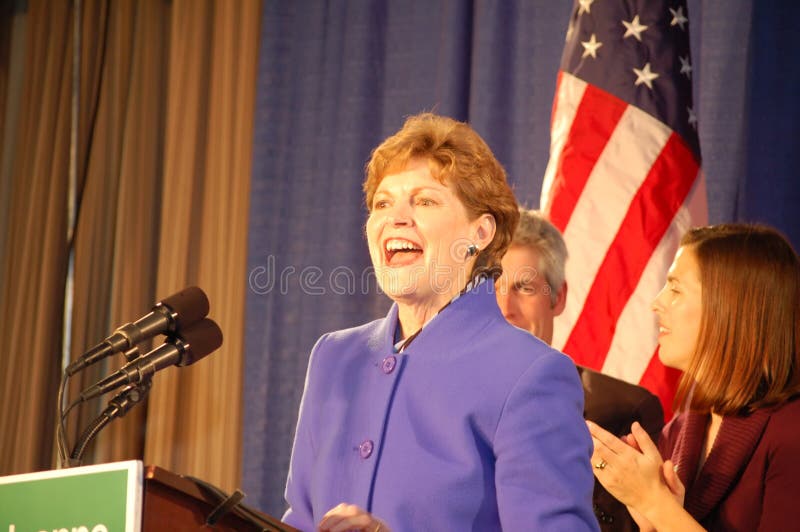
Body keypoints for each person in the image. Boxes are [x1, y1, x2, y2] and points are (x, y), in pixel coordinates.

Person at [281, 114, 598, 531]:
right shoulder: (334, 357)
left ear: (481, 233)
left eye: (425, 201)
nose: (396, 217)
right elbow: (299, 520)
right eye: (382, 203)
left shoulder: (531, 374)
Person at [588, 223, 800, 531]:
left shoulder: (790, 432)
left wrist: (655, 504)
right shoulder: (679, 431)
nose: (656, 303)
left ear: (730, 307)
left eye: (675, 289)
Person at [496, 208, 664, 531]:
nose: (505, 309)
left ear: (558, 298)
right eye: (492, 287)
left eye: (524, 288)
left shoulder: (626, 412)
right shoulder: (442, 404)